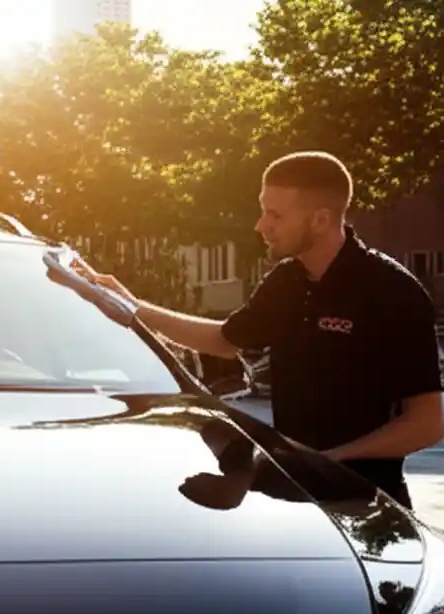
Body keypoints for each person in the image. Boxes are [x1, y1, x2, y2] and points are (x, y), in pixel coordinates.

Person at [75, 150, 444, 508]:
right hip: (291, 495)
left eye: (275, 215)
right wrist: (130, 306)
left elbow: (426, 424)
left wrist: (332, 458)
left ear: (320, 219)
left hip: (365, 503)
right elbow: (223, 341)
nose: (261, 226)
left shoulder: (393, 292)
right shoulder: (286, 281)